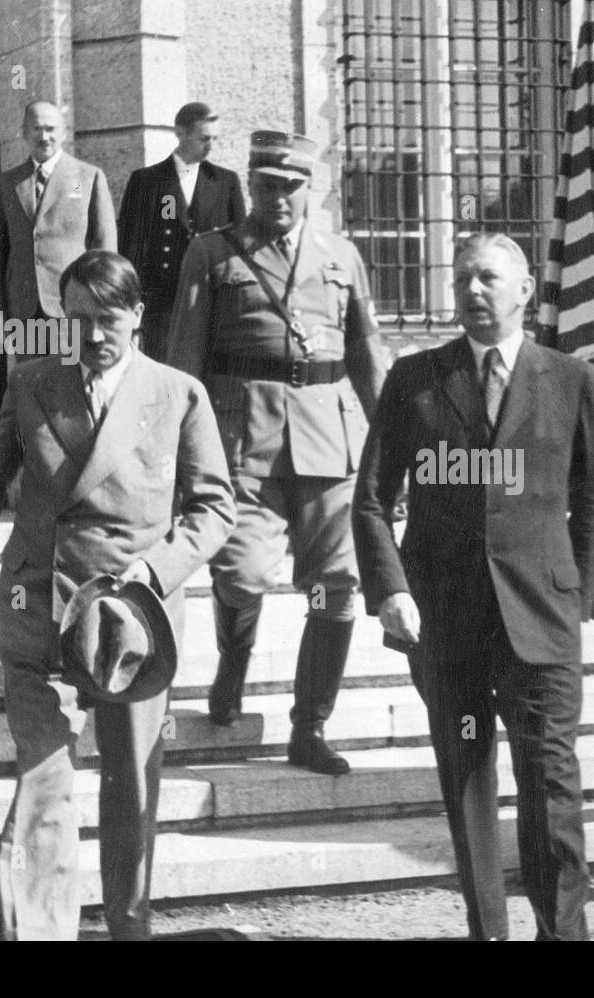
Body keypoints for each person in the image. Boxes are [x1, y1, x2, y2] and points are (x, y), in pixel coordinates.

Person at [0, 250, 235, 940]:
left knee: (131, 787)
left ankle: (130, 924)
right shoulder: (34, 383)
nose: (93, 336)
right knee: (44, 784)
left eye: (107, 319)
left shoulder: (179, 394)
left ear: (138, 316)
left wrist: (154, 573)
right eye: (78, 320)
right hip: (41, 610)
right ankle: (42, 932)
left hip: (136, 623)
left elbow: (214, 509)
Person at [353, 233, 594, 941]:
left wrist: (581, 590)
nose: (472, 291)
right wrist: (391, 590)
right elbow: (371, 496)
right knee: (467, 783)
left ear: (525, 289)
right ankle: (487, 931)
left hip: (541, 618)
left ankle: (561, 933)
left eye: (488, 278)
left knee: (552, 786)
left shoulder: (569, 378)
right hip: (447, 619)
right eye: (462, 277)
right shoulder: (416, 379)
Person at [166, 129, 385, 775]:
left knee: (335, 590)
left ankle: (308, 726)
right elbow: (184, 362)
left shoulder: (341, 256)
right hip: (241, 443)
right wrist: (179, 460)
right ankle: (233, 665)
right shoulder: (210, 254)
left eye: (292, 186)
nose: (279, 197)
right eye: (267, 185)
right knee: (241, 575)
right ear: (251, 185)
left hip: (329, 441)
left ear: (309, 188)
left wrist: (393, 448)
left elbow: (368, 357)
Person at [118, 102, 247, 359]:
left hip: (212, 300)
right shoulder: (146, 182)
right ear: (180, 133)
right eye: (204, 138)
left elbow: (239, 244)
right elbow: (130, 247)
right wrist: (132, 305)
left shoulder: (225, 181)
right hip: (163, 304)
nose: (211, 145)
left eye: (214, 139)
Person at [0, 101, 116, 329]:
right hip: (23, 311)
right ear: (23, 132)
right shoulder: (7, 184)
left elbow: (104, 245)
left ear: (63, 132)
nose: (44, 136)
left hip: (74, 307)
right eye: (36, 129)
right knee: (28, 367)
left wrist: (102, 303)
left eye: (51, 129)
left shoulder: (87, 177)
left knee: (72, 366)